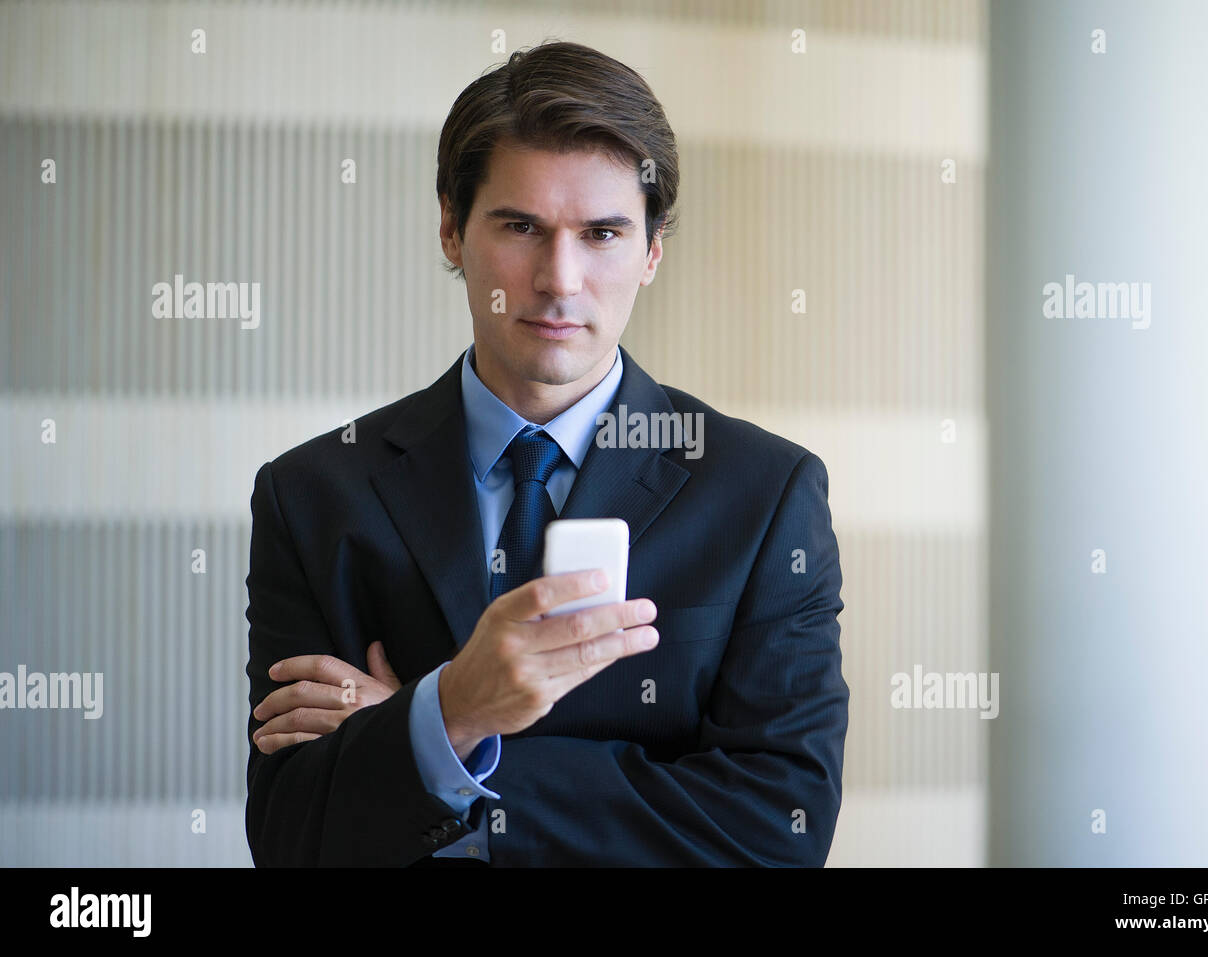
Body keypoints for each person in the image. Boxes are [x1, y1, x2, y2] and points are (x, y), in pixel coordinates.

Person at [244, 40, 849, 867]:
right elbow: (292, 838)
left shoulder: (765, 494)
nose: (560, 279)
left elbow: (777, 830)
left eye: (602, 232)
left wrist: (437, 730)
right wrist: (452, 709)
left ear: (653, 250)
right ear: (453, 230)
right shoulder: (311, 496)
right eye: (521, 226)